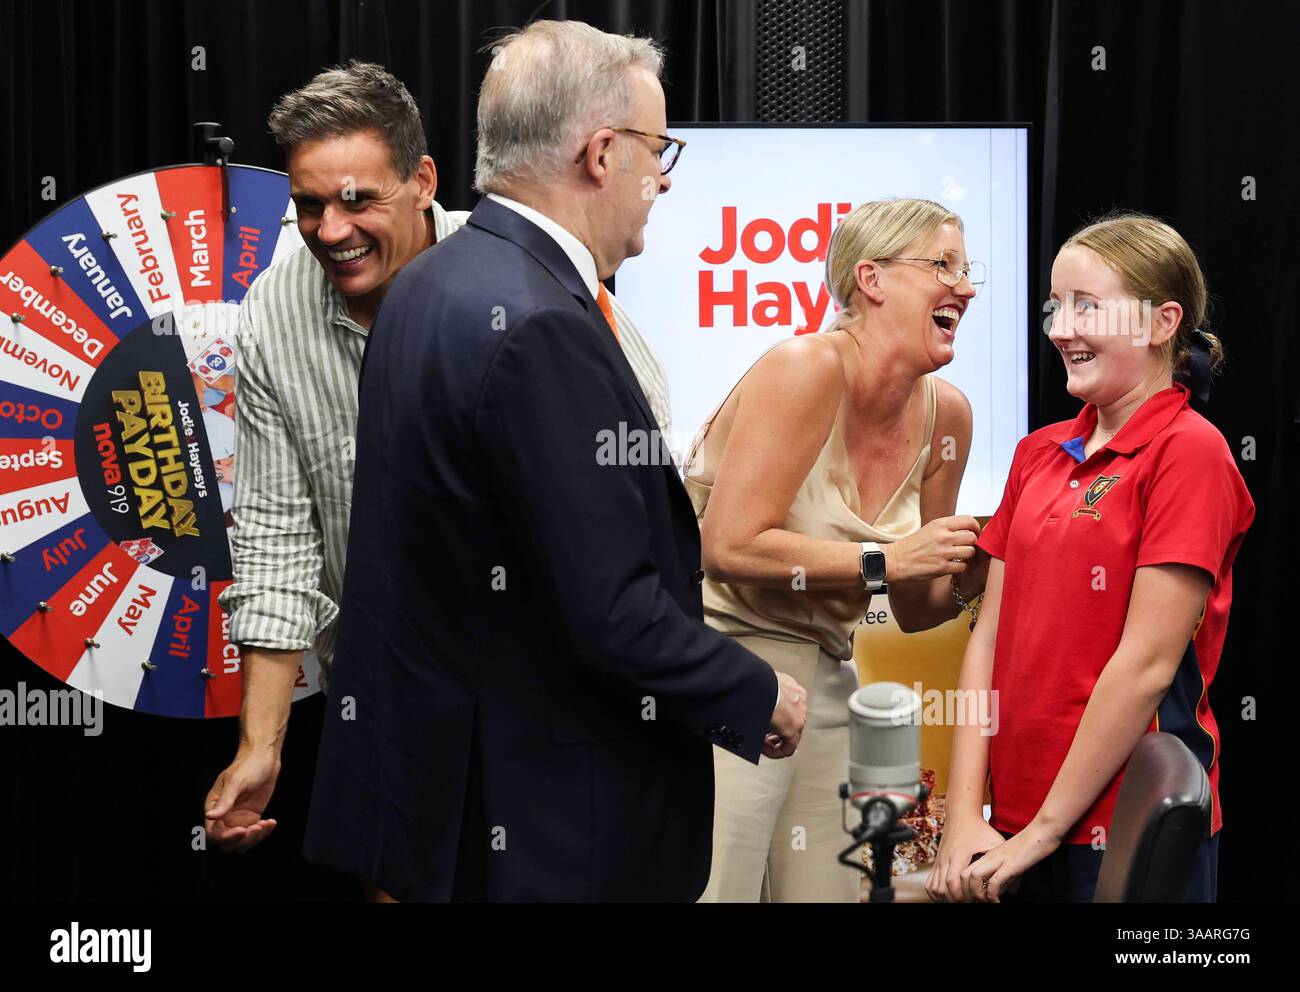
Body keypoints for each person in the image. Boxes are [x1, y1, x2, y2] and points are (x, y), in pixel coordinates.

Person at [300, 19, 808, 902]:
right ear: (601, 153)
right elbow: (608, 609)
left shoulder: (429, 282)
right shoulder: (540, 326)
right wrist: (755, 692)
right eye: (659, 149)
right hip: (548, 826)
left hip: (450, 802)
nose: (663, 179)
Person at [201, 60, 678, 882]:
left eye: (357, 199)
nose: (330, 229)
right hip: (391, 711)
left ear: (422, 181)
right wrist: (260, 749)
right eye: (308, 204)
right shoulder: (274, 312)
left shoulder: (524, 273)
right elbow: (278, 545)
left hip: (546, 717)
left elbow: (647, 438)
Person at [926, 212, 1254, 904]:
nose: (1059, 328)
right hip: (1012, 830)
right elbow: (988, 636)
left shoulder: (1190, 452)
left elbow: (1145, 668)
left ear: (1162, 323)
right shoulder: (1037, 453)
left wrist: (1043, 834)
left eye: (1087, 306)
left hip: (1128, 830)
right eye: (1055, 305)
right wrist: (962, 818)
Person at [688, 197, 990, 903]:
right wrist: (885, 563)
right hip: (724, 663)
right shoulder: (803, 366)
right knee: (716, 890)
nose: (967, 287)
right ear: (872, 280)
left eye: (969, 269)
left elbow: (917, 607)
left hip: (827, 674)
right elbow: (727, 546)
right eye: (944, 265)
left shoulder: (948, 414)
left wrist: (987, 563)